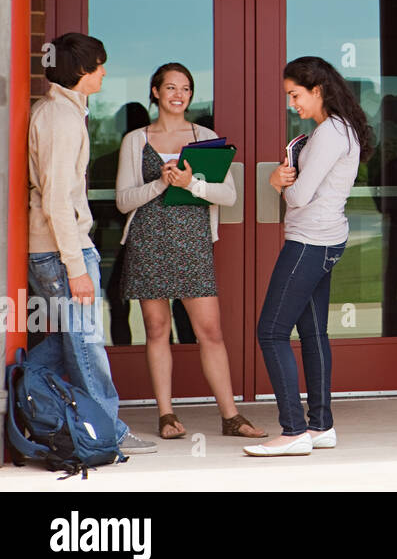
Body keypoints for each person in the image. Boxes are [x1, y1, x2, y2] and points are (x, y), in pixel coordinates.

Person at [115, 62, 265, 440]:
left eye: (185, 89)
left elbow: (228, 195)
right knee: (156, 330)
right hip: (148, 242)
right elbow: (122, 201)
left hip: (193, 242)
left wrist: (190, 183)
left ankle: (230, 416)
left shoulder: (205, 136)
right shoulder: (136, 140)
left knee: (210, 331)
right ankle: (166, 415)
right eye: (170, 88)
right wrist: (160, 184)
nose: (178, 95)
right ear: (155, 92)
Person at [25, 32, 156, 455]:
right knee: (86, 344)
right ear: (81, 70)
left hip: (61, 248)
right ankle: (108, 434)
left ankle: (25, 388)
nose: (104, 71)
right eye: (99, 64)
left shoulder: (63, 112)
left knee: (72, 342)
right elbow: (57, 199)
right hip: (64, 251)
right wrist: (76, 266)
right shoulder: (61, 119)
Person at [246, 56, 372, 457]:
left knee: (271, 332)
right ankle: (320, 426)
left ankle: (293, 430)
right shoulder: (340, 129)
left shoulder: (330, 132)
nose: (292, 104)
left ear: (317, 90)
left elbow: (299, 196)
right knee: (314, 332)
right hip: (326, 240)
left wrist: (277, 181)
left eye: (295, 95)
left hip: (308, 242)